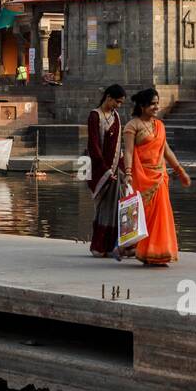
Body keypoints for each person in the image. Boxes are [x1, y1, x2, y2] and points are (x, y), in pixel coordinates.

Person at [121, 88, 189, 266]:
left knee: (161, 217)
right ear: (143, 106)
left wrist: (180, 170)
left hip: (159, 177)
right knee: (144, 217)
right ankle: (141, 251)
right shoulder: (132, 126)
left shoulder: (159, 125)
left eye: (157, 103)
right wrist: (128, 173)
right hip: (141, 176)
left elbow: (166, 151)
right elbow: (127, 152)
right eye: (152, 104)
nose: (156, 107)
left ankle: (159, 253)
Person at [86, 84, 127, 259]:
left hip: (115, 171)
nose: (118, 105)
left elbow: (119, 146)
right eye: (117, 101)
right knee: (103, 209)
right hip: (99, 170)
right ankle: (98, 246)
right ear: (108, 97)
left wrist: (125, 170)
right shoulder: (95, 116)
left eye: (121, 103)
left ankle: (111, 246)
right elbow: (93, 146)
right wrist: (104, 171)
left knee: (115, 209)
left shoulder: (116, 117)